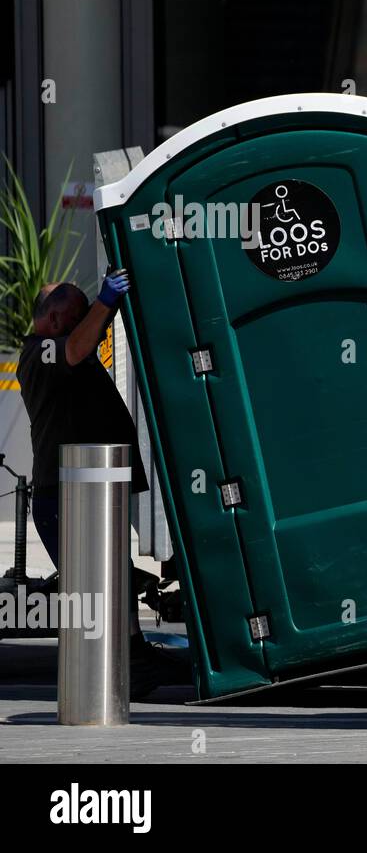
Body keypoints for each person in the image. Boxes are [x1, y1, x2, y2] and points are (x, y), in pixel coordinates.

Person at [15, 271, 181, 698]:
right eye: (77, 316)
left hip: (89, 491)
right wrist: (107, 300)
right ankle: (110, 673)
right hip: (63, 496)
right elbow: (73, 348)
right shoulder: (39, 352)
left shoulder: (68, 344)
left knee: (114, 582)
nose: (89, 321)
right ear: (52, 319)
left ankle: (134, 657)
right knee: (97, 589)